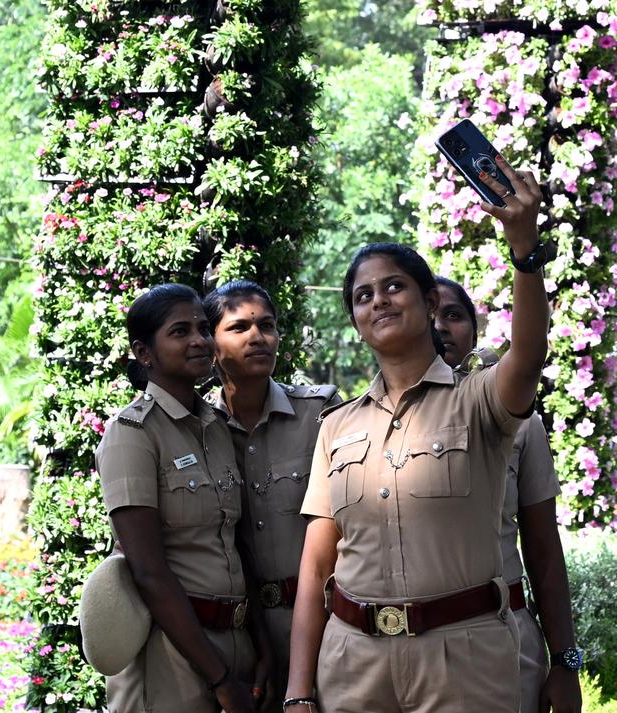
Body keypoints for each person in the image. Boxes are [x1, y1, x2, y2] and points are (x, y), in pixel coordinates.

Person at [285, 155, 550, 713]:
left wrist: (524, 251)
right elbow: (315, 569)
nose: (378, 300)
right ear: (356, 321)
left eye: (394, 287)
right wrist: (299, 691)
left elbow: (527, 356)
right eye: (363, 295)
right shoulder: (336, 427)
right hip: (353, 663)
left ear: (430, 302)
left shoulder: (479, 400)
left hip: (464, 662)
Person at [96, 283, 256, 713]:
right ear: (144, 353)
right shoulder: (133, 435)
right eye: (180, 331)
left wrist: (255, 650)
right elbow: (149, 571)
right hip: (171, 657)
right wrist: (220, 677)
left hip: (234, 643)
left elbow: (235, 544)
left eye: (203, 329)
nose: (200, 340)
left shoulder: (217, 426)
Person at [434, 275, 582, 713]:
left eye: (454, 315)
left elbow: (543, 548)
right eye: (430, 314)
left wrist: (565, 662)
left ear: (475, 335)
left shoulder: (519, 422)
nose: (440, 325)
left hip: (506, 638)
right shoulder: (369, 421)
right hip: (409, 650)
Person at [203, 280, 341, 710]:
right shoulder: (199, 431)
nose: (258, 336)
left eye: (267, 325)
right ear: (210, 345)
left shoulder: (319, 413)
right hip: (243, 639)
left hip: (329, 623)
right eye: (240, 327)